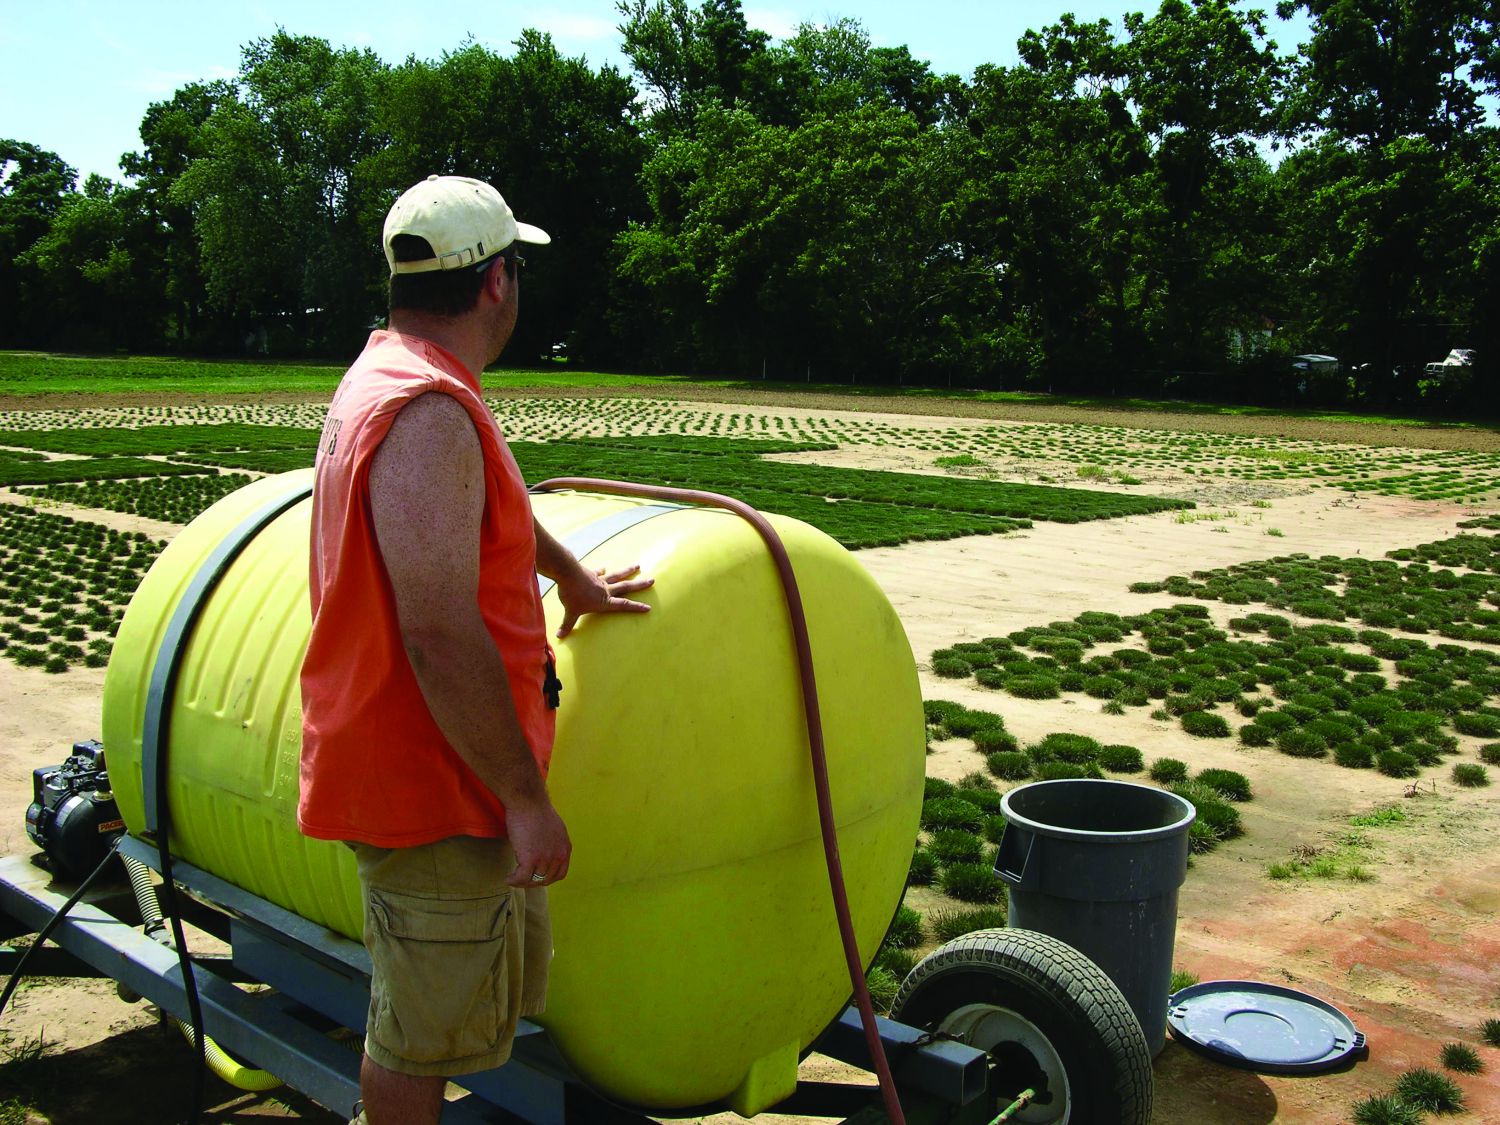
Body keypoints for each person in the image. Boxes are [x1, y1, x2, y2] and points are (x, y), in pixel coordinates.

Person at [297, 174, 653, 1125]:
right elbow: (438, 630)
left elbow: (477, 513)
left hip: (431, 768)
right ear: (496, 281)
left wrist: (570, 574)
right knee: (415, 1042)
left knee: (443, 1016)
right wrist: (525, 800)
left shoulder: (399, 375)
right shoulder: (429, 412)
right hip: (434, 783)